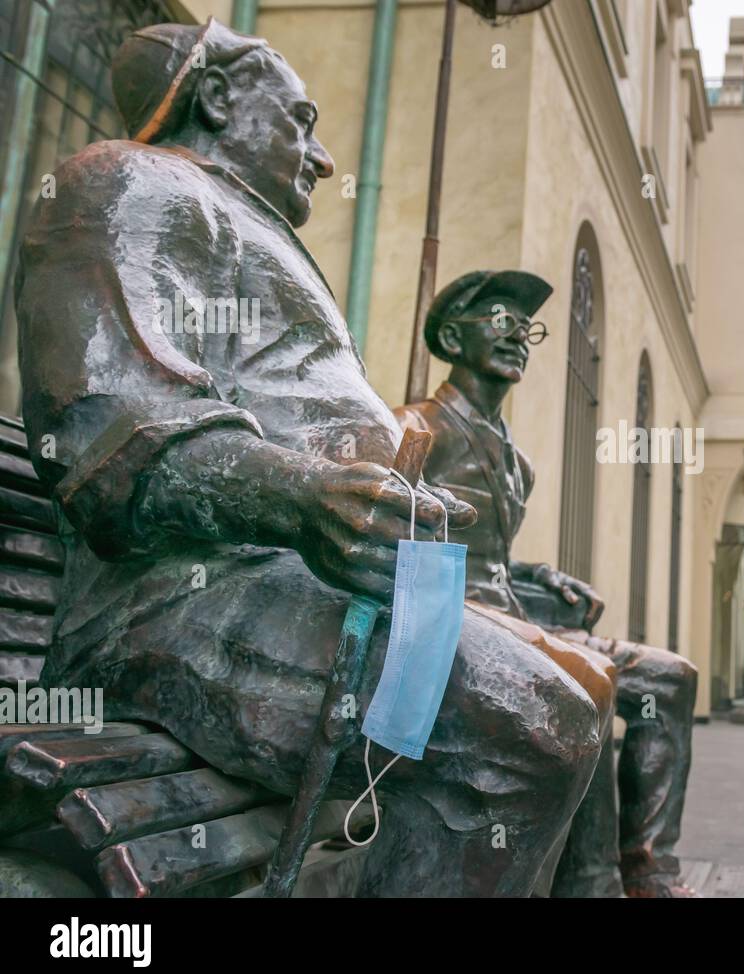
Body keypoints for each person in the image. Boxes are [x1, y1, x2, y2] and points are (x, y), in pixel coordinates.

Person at [14, 19, 612, 896]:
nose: (327, 158)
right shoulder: (129, 183)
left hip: (299, 589)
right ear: (217, 98)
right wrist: (301, 498)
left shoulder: (246, 228)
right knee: (533, 725)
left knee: (576, 694)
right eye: (302, 120)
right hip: (179, 604)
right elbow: (108, 427)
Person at [395, 270, 699, 898]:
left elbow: (489, 553)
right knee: (590, 677)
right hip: (448, 623)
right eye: (501, 322)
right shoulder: (415, 429)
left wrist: (541, 575)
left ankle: (648, 872)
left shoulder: (517, 462)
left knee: (669, 676)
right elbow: (391, 538)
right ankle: (590, 884)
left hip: (512, 616)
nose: (519, 339)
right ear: (452, 336)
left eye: (526, 329)